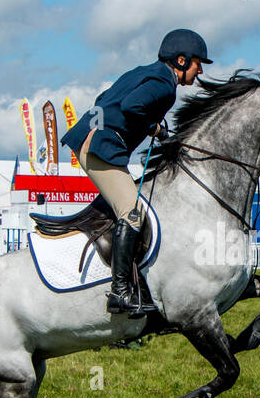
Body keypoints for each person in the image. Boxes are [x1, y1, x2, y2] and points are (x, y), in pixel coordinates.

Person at [60, 28, 212, 315]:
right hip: (101, 146)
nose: (200, 70)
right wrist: (153, 126)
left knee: (124, 207)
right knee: (132, 212)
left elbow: (104, 97)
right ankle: (120, 292)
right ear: (181, 60)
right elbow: (132, 107)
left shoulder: (145, 72)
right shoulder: (166, 85)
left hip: (94, 140)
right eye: (197, 63)